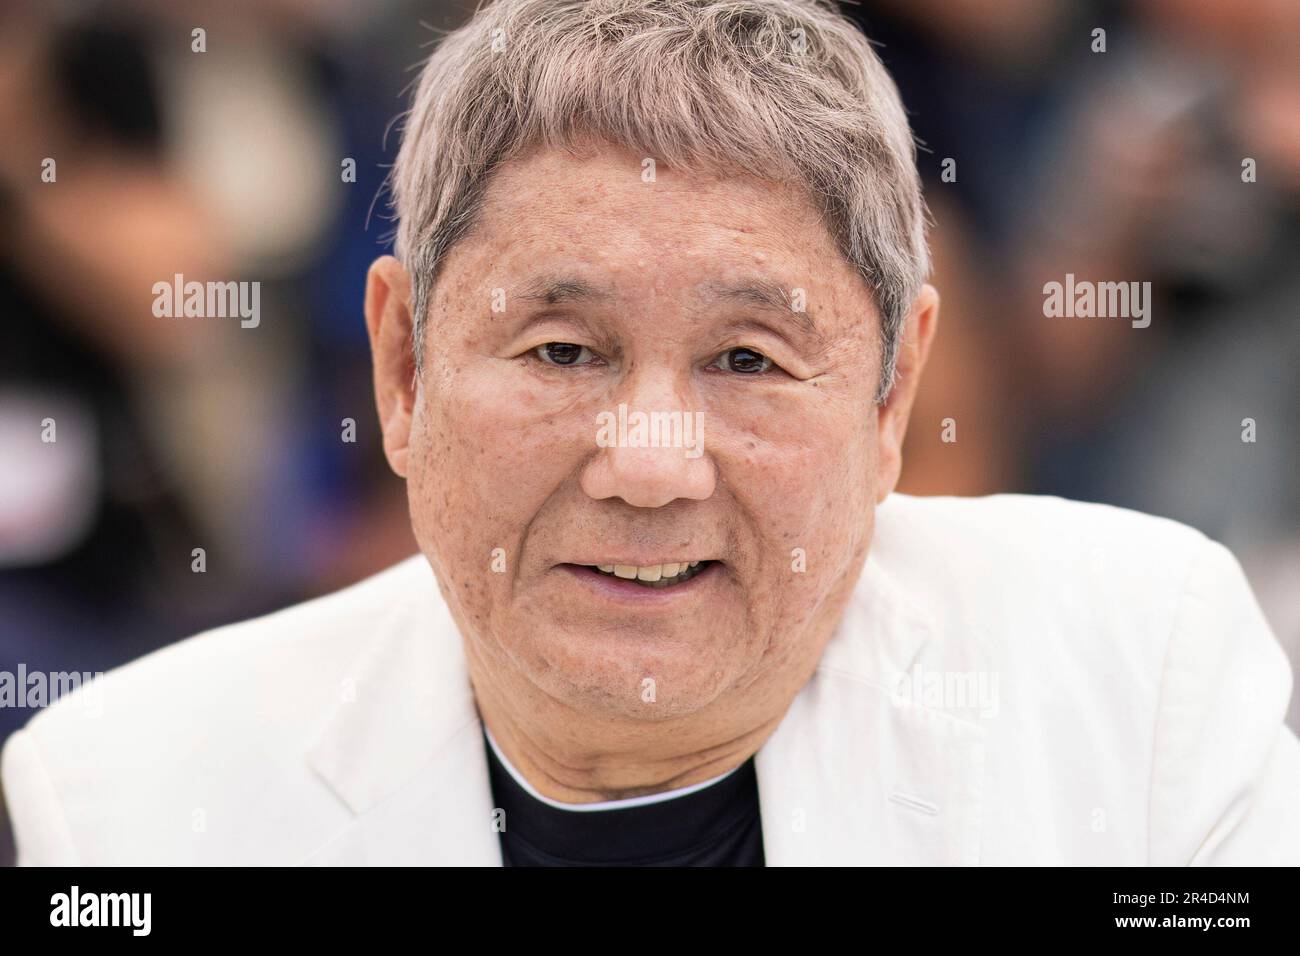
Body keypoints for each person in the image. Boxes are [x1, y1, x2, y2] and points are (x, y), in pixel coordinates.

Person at [4, 0, 1298, 866]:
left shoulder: (1135, 683)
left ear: (893, 397)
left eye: (749, 358)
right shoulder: (127, 806)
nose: (649, 464)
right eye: (563, 352)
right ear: (402, 367)